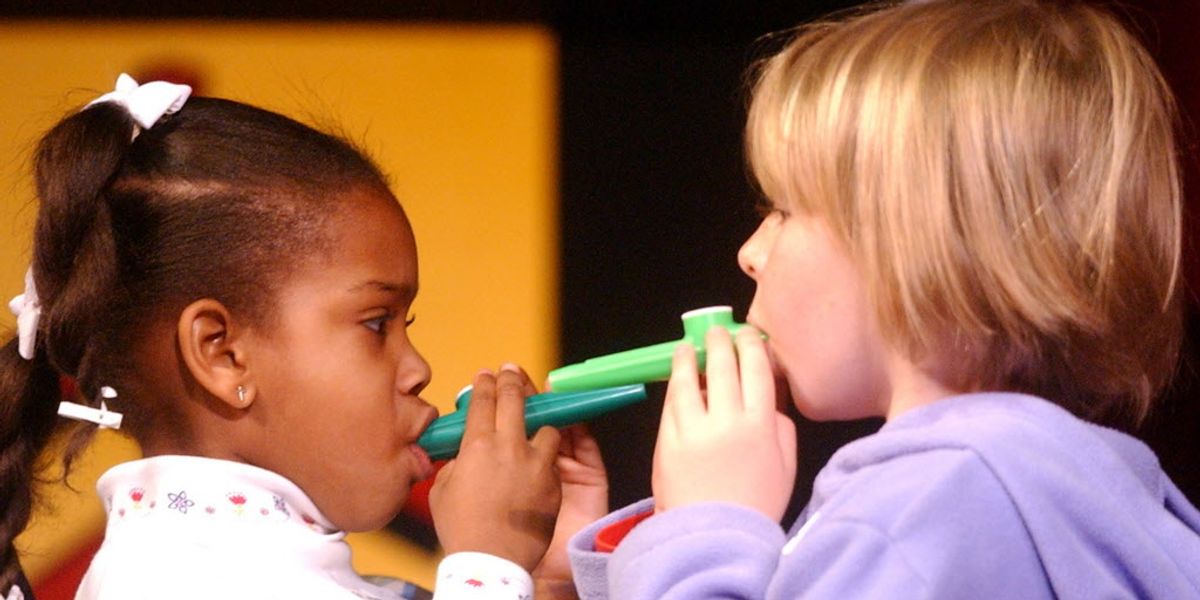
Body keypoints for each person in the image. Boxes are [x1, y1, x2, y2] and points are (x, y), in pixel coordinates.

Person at [567, 0, 1200, 597]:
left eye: (783, 210)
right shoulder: (1058, 488)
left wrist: (708, 522)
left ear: (918, 244)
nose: (751, 252)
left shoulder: (919, 509)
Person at [0, 73, 600, 600]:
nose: (418, 369)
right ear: (223, 354)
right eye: (376, 324)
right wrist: (487, 569)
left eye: (404, 326)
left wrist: (546, 581)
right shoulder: (168, 580)